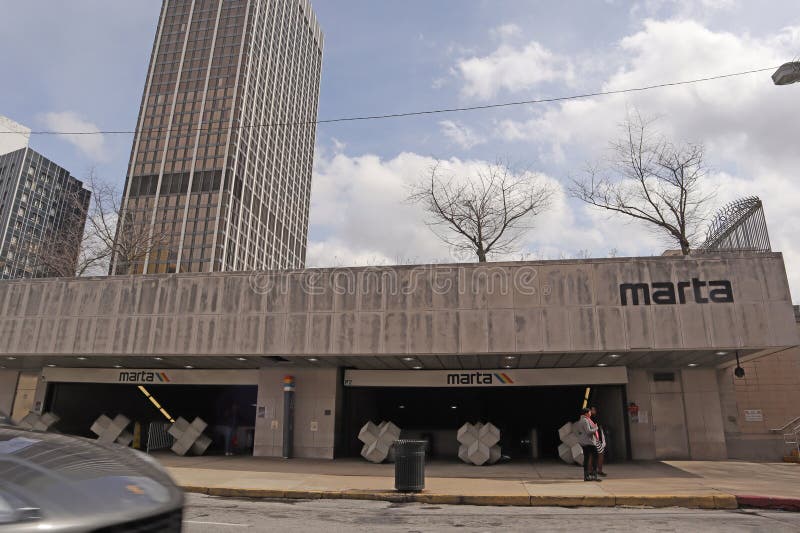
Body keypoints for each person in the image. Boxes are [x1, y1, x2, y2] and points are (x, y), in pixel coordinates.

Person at [575, 407, 601, 482]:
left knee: (586, 458)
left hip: (583, 442)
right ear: (586, 413)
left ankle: (586, 476)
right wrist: (596, 428)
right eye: (590, 412)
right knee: (595, 457)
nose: (591, 413)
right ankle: (594, 475)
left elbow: (579, 432)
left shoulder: (580, 421)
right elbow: (589, 431)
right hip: (589, 442)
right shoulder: (585, 421)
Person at [590, 406, 607, 477]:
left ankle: (592, 471)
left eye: (595, 409)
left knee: (593, 455)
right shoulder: (590, 418)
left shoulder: (594, 418)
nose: (594, 411)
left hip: (595, 439)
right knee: (599, 454)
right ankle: (595, 471)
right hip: (594, 439)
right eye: (592, 410)